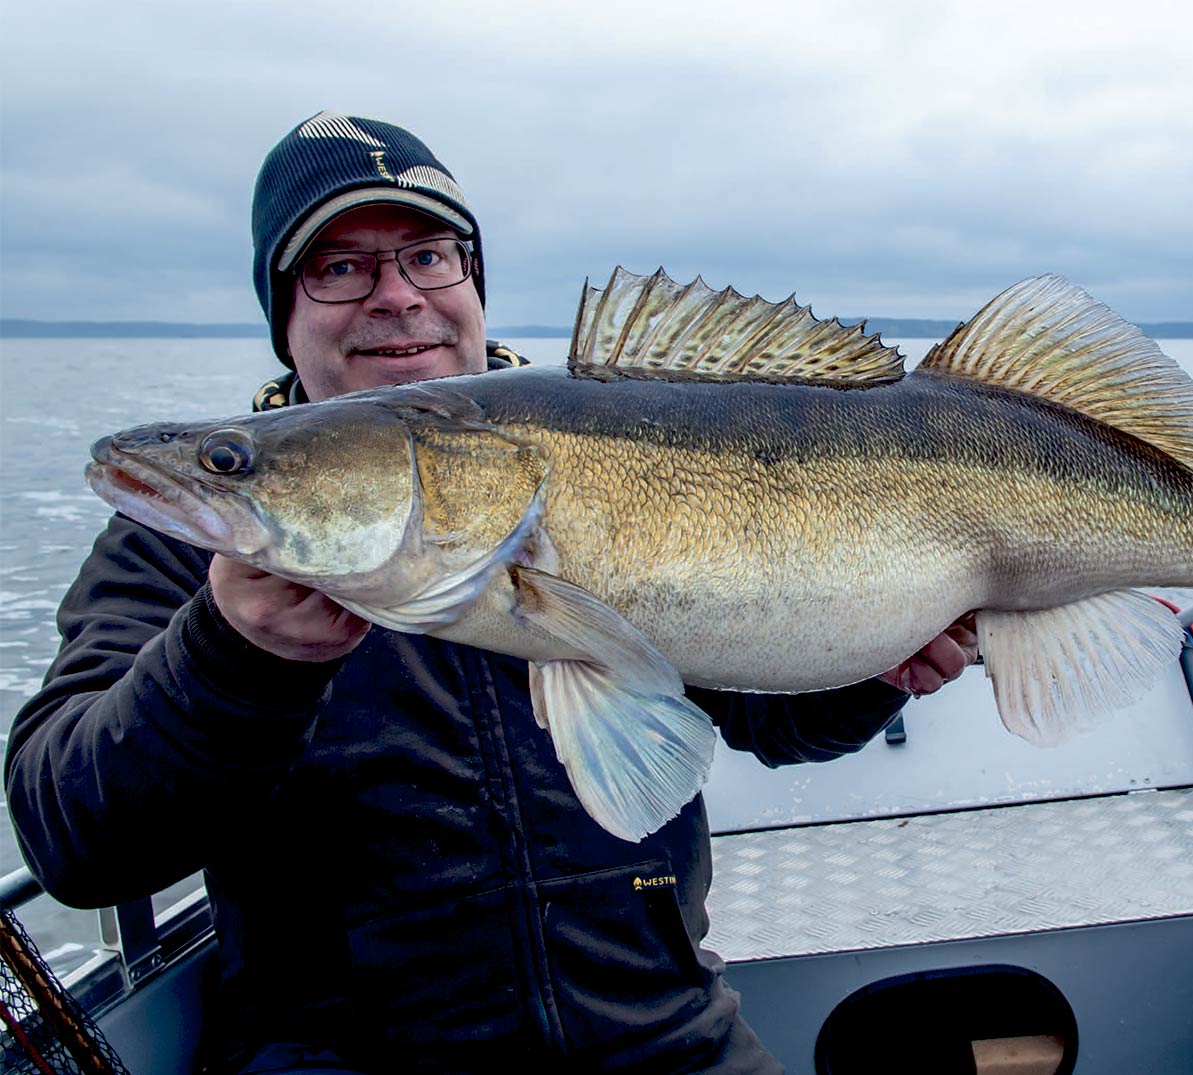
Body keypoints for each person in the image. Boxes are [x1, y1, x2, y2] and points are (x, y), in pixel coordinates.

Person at [5, 112, 977, 1074]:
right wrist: (233, 653)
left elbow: (776, 725)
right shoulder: (206, 533)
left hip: (664, 1034)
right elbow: (71, 837)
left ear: (471, 282)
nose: (396, 296)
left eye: (429, 255)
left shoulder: (616, 452)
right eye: (339, 267)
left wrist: (880, 666)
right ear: (284, 315)